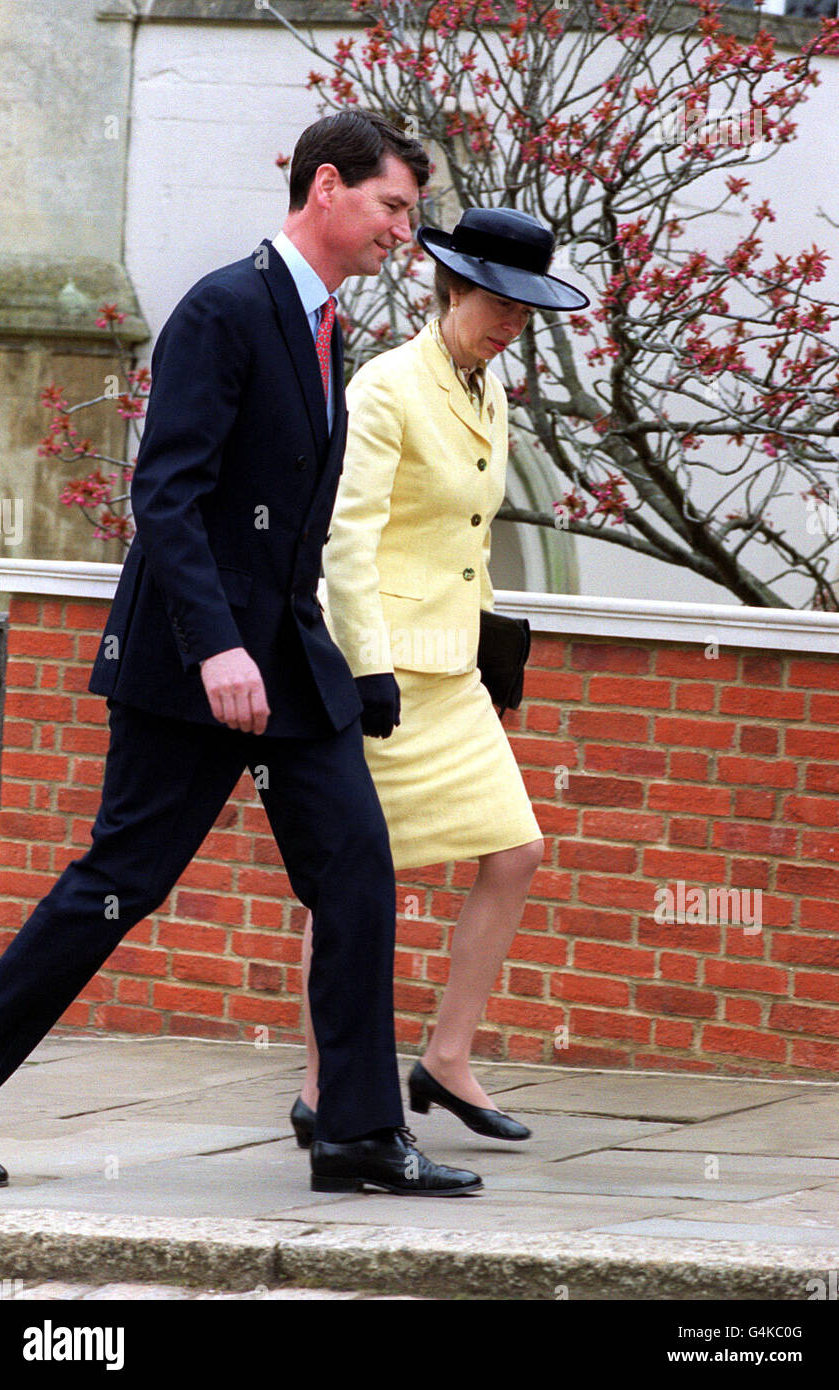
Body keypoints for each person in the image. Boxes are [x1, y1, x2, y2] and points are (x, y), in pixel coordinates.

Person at [0, 111, 483, 1199]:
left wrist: (343, 659)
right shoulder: (225, 306)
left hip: (288, 658)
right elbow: (166, 493)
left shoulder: (320, 323)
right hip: (190, 659)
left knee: (357, 871)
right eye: (393, 206)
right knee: (119, 884)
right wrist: (214, 649)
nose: (405, 230)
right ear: (329, 187)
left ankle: (355, 1133)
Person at [288, 207, 589, 1148]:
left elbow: (463, 538)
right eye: (499, 302)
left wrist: (492, 643)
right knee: (351, 880)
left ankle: (446, 1059)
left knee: (517, 852)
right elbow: (348, 537)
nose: (512, 323)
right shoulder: (388, 386)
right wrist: (365, 667)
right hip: (382, 675)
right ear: (452, 289)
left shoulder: (484, 387)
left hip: (452, 671)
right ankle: (320, 1083)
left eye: (527, 310)